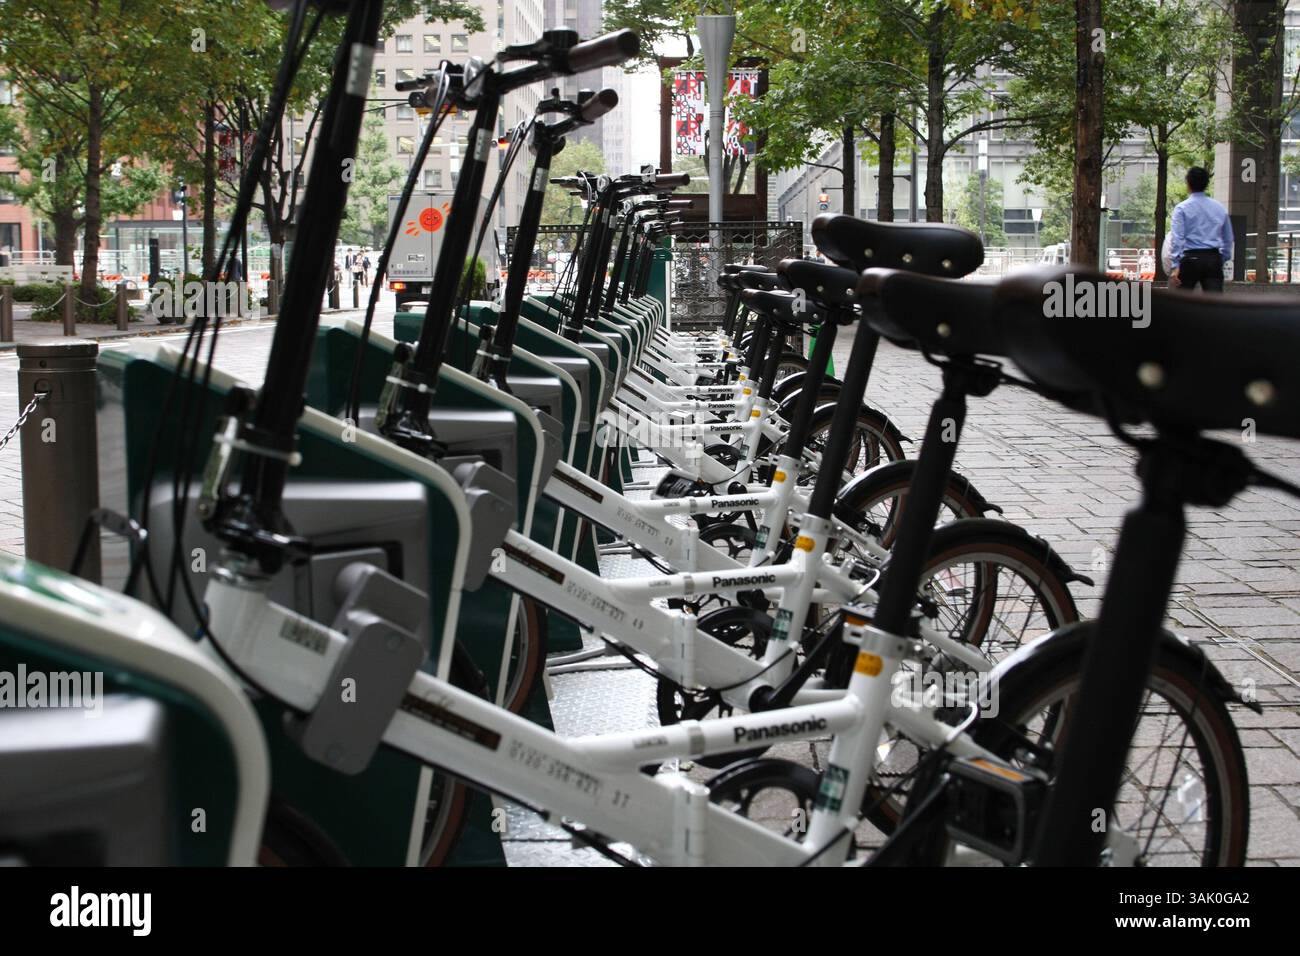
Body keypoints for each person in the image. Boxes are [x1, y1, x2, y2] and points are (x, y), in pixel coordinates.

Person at [1168, 166, 1233, 292]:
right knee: (1214, 304)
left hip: (1190, 258)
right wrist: (1222, 258)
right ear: (1206, 183)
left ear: (1188, 183)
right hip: (1213, 257)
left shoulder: (1181, 208)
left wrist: (1176, 264)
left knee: (1181, 302)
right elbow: (1228, 238)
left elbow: (1177, 238)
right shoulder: (1219, 208)